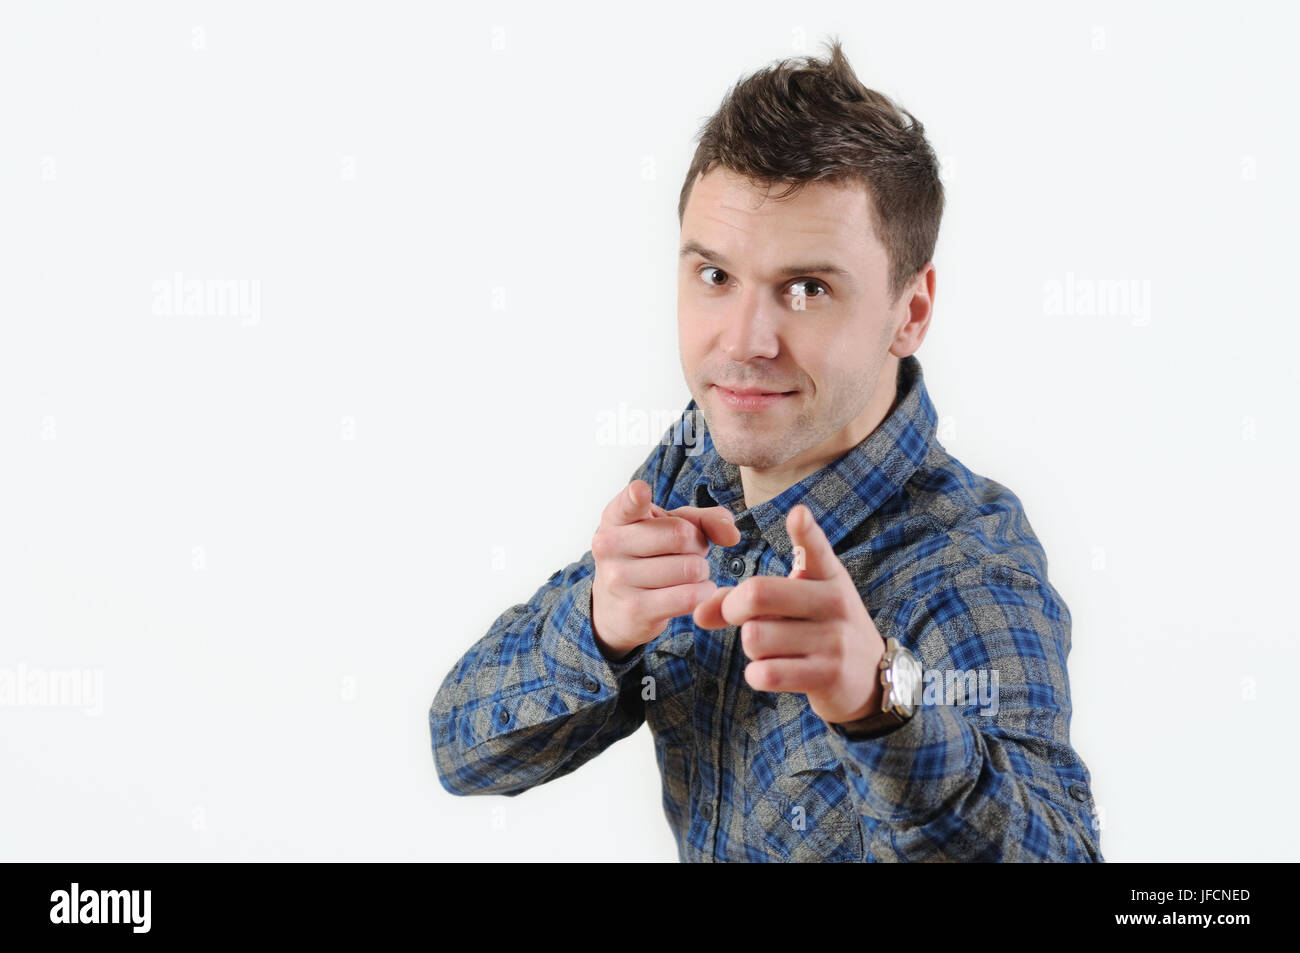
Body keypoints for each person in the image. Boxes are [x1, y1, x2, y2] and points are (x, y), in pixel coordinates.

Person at [429, 36, 1102, 862]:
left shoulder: (963, 569)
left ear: (912, 309)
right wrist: (601, 627)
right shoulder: (699, 464)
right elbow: (462, 752)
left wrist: (881, 699)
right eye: (715, 277)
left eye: (807, 289)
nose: (743, 343)